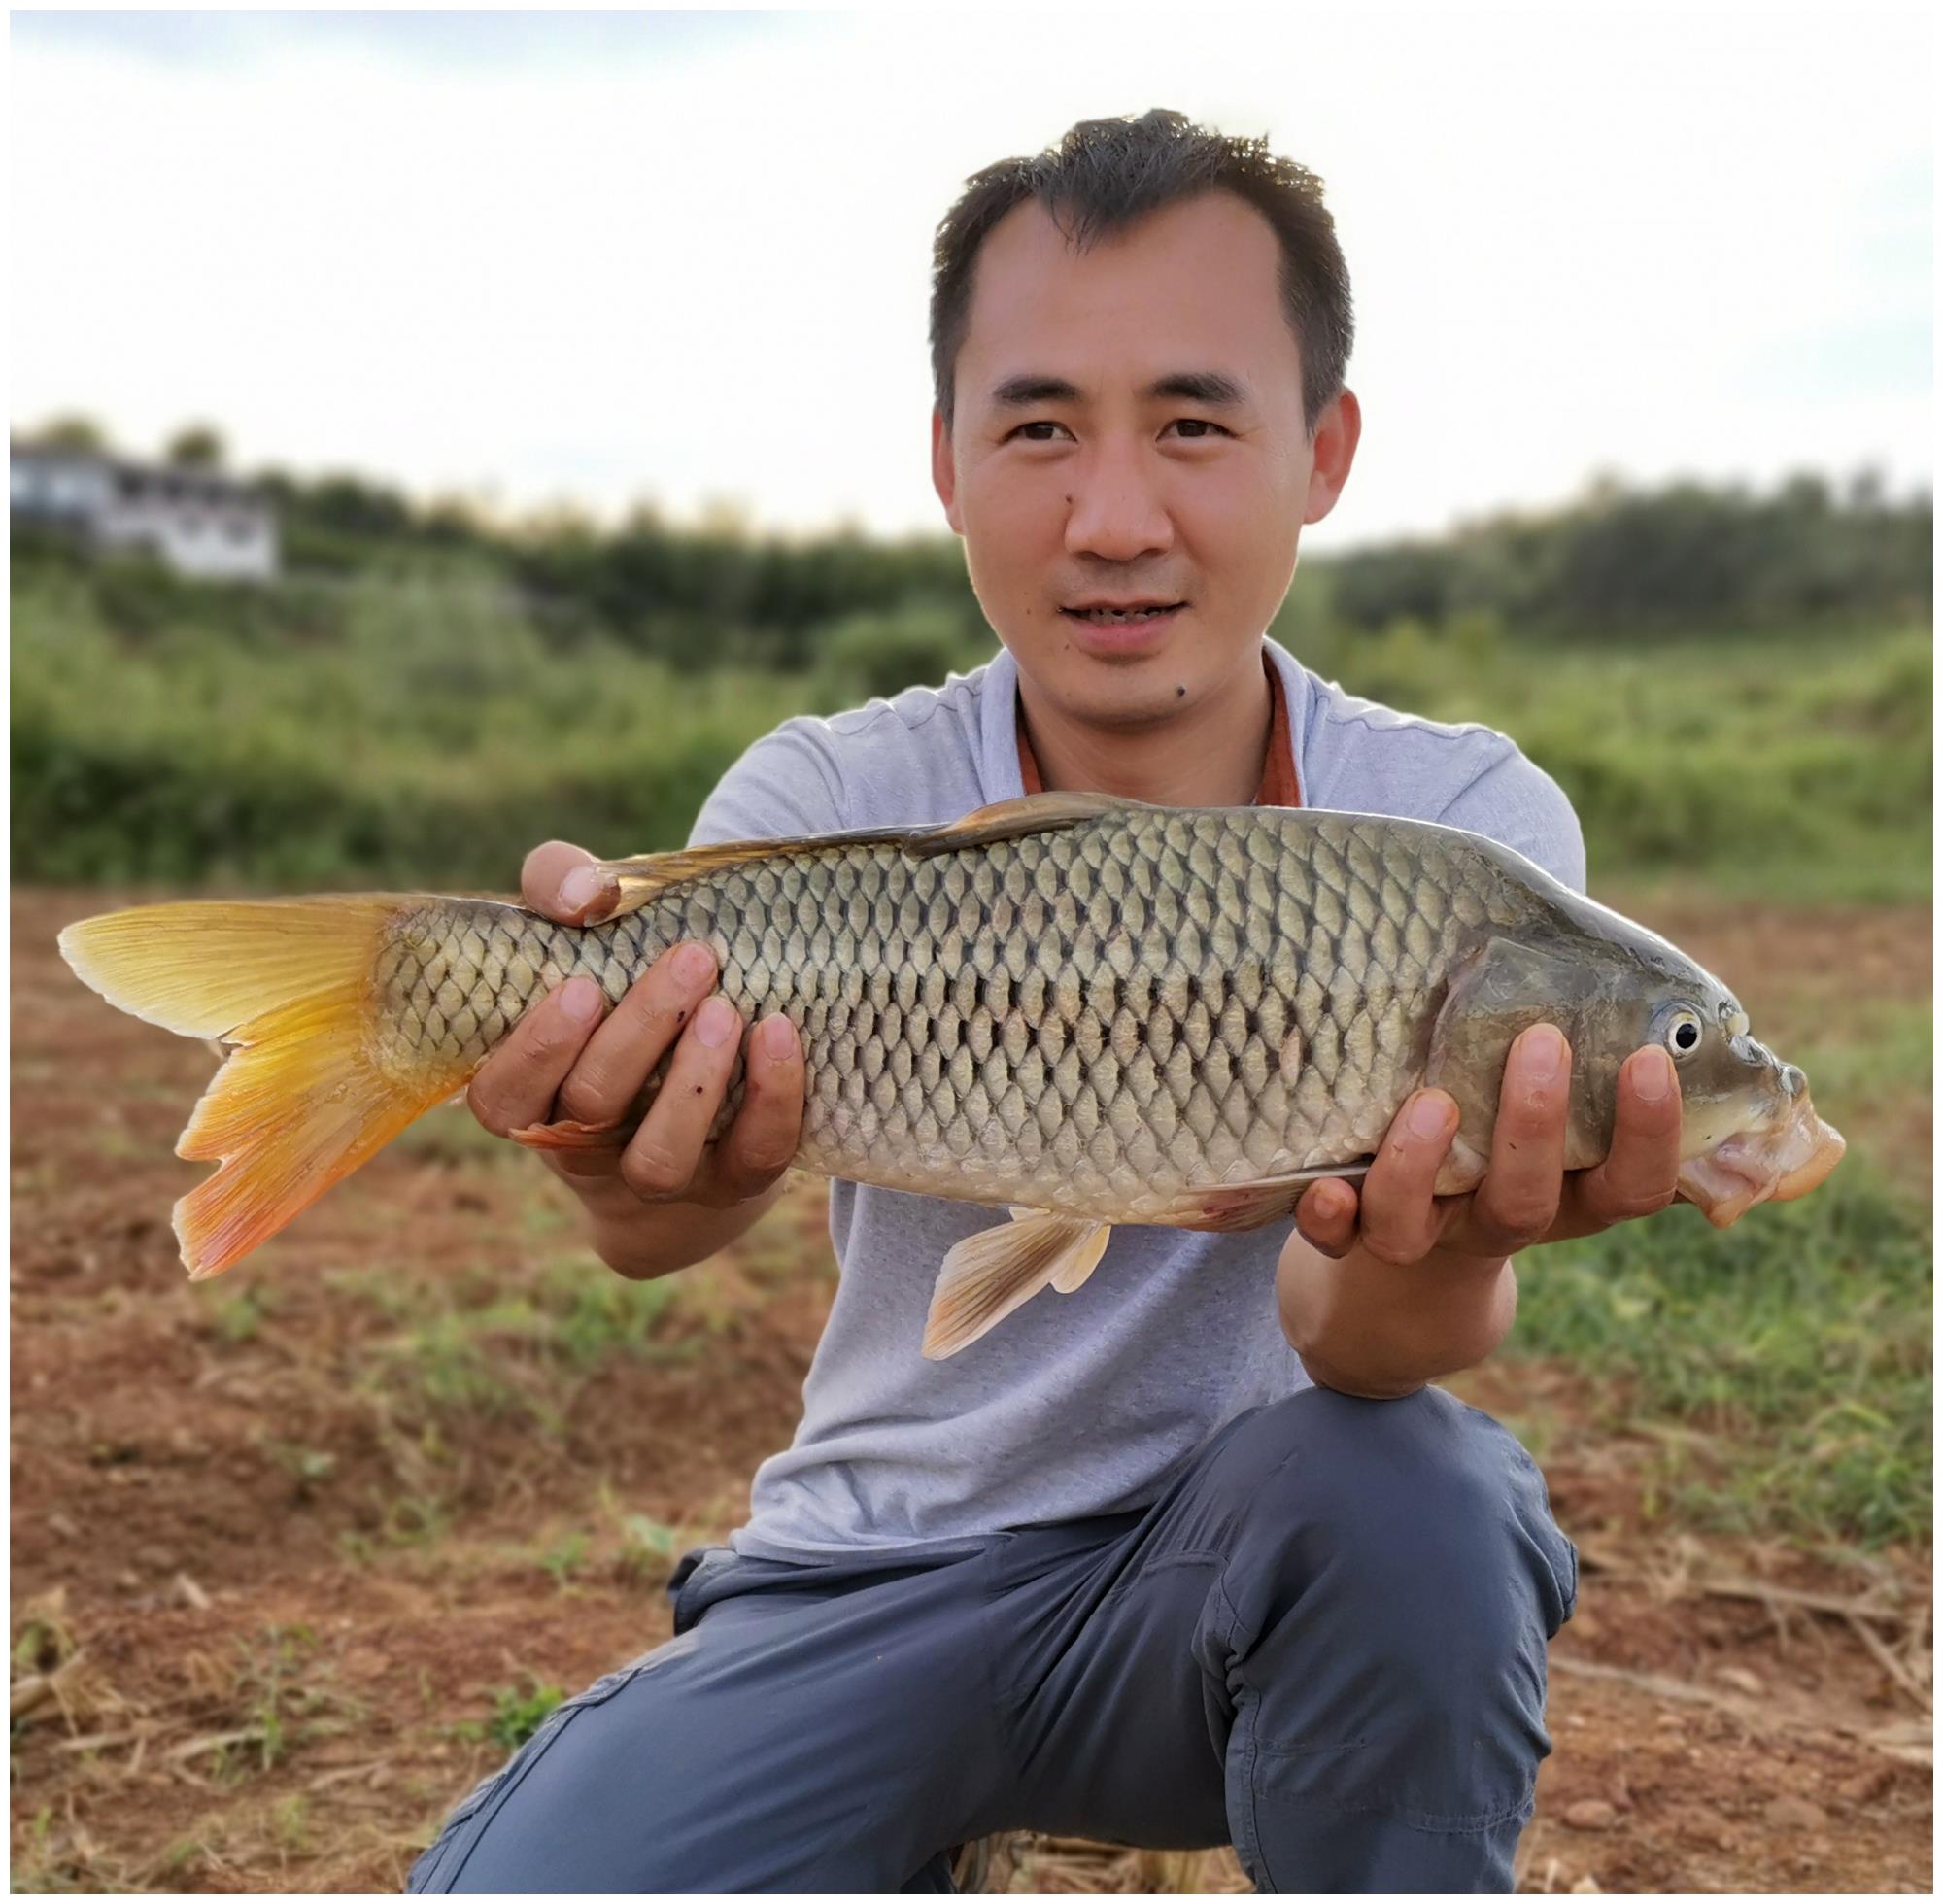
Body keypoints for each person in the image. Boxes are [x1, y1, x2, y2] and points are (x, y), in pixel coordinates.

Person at [409, 110, 1685, 1894]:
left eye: (1192, 423)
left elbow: (1360, 1344)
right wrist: (631, 1157)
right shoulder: (824, 793)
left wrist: (1446, 1240)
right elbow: (651, 1230)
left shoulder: (1460, 842)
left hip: (1239, 1581)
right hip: (871, 1567)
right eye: (1037, 430)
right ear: (944, 459)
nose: (1112, 518)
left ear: (1321, 453)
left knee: (1424, 1507)